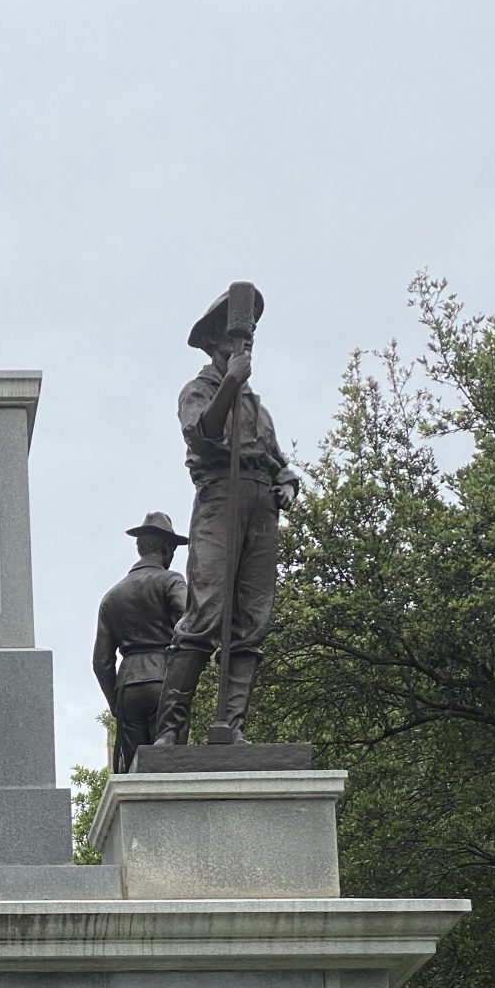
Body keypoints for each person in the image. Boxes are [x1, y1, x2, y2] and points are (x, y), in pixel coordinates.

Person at [154, 287, 300, 746]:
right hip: (221, 498)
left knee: (252, 620)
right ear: (218, 342)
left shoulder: (259, 407)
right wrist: (232, 382)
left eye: (251, 339)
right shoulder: (198, 391)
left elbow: (281, 462)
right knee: (206, 610)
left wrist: (289, 483)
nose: (247, 344)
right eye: (240, 338)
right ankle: (171, 732)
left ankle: (231, 728)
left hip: (261, 506)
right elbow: (203, 434)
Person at [92, 511, 189, 772]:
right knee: (170, 766)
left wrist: (115, 702)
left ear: (140, 547)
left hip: (127, 689)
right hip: (165, 681)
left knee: (135, 772)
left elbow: (101, 662)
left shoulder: (112, 597)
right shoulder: (172, 581)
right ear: (168, 548)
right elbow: (189, 625)